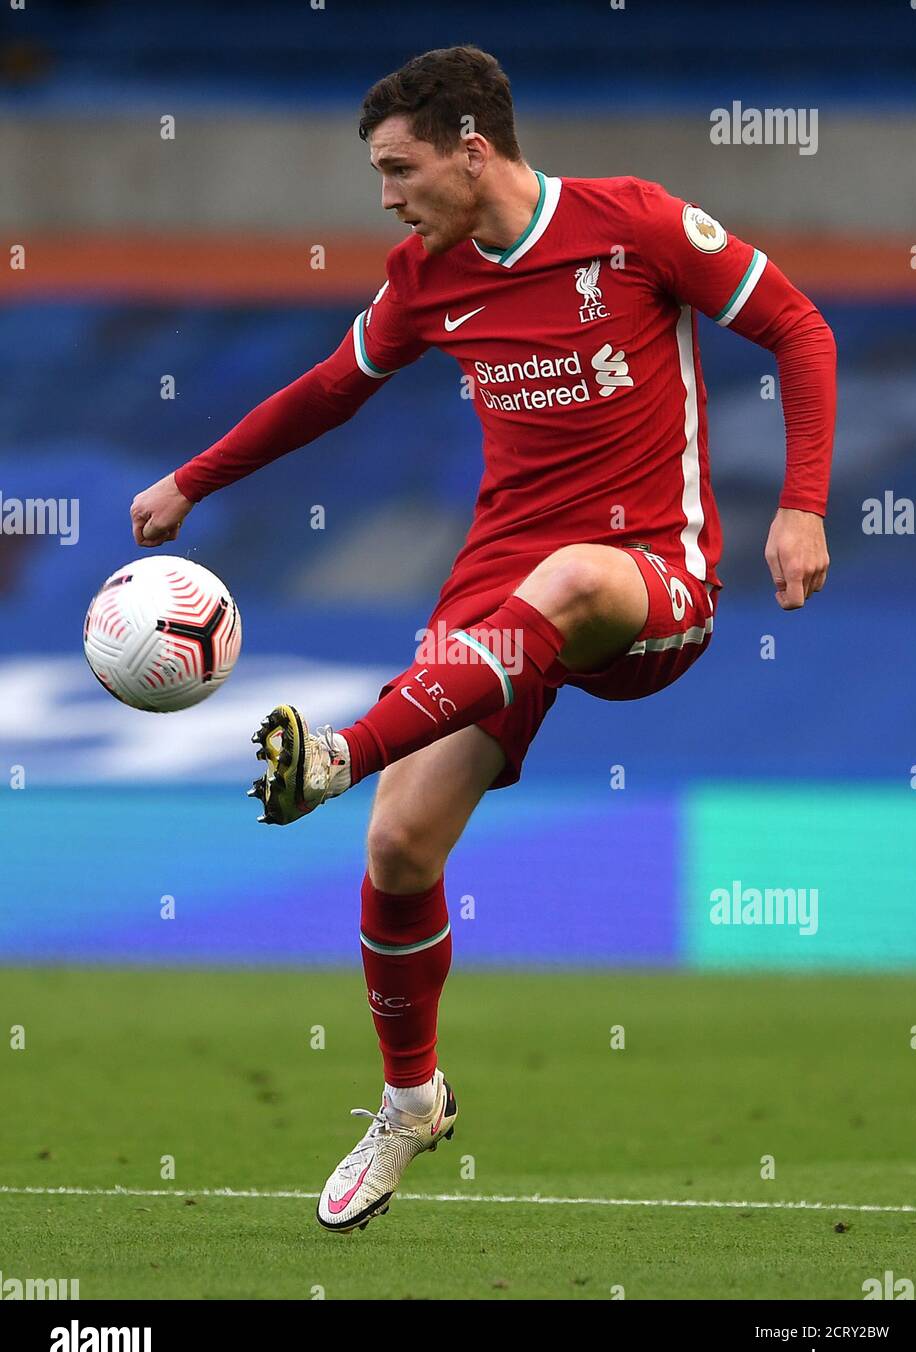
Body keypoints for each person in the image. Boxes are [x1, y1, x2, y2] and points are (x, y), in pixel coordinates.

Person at [130, 45, 835, 1234]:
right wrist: (191, 481)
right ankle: (411, 1102)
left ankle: (340, 749)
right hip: (497, 591)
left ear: (473, 148)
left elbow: (799, 328)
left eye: (400, 169)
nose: (387, 195)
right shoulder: (423, 278)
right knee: (401, 848)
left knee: (559, 580)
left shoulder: (635, 223)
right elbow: (326, 390)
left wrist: (804, 500)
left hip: (647, 585)